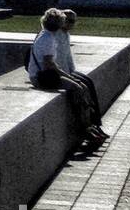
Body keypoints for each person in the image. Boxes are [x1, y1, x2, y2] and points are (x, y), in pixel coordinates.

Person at [27, 8, 105, 150]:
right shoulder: (48, 38)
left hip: (46, 75)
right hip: (42, 78)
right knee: (78, 88)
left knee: (82, 87)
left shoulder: (47, 35)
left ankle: (89, 126)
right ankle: (85, 129)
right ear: (59, 23)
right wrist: (68, 76)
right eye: (64, 21)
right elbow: (49, 64)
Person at [58, 9, 106, 134]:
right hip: (59, 72)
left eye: (73, 21)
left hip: (67, 70)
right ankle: (89, 125)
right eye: (68, 20)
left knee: (89, 82)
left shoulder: (65, 34)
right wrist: (69, 74)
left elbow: (68, 56)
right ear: (61, 20)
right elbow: (55, 59)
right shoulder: (56, 34)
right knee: (82, 86)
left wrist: (72, 71)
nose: (71, 24)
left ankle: (96, 123)